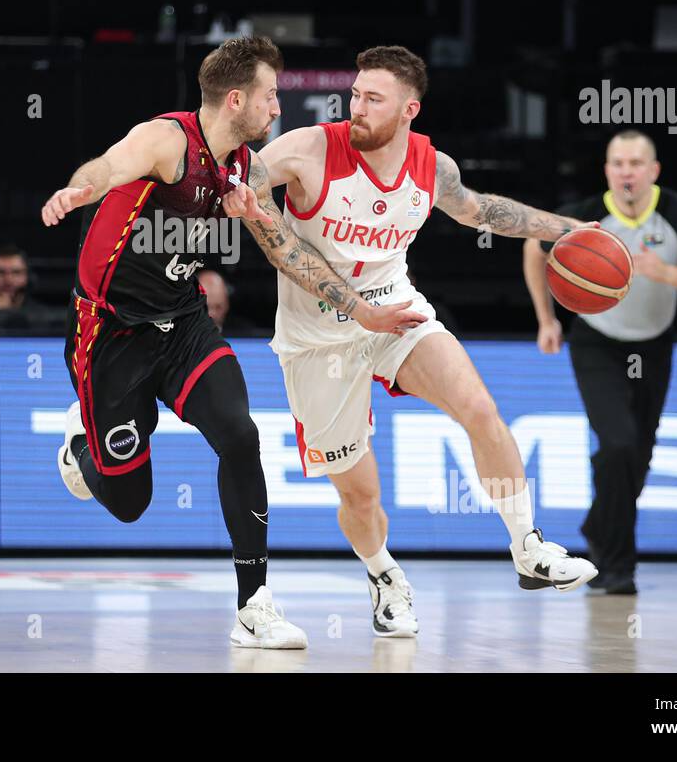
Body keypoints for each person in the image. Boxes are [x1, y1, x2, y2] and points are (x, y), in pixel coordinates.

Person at [41, 36, 423, 648]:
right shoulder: (168, 141)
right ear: (237, 98)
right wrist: (77, 190)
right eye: (272, 96)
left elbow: (283, 249)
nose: (279, 108)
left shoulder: (242, 167)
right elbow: (109, 165)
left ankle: (254, 605)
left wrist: (355, 307)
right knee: (129, 501)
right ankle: (80, 447)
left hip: (185, 323)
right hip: (112, 334)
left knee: (241, 438)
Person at [256, 45, 600, 638]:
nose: (355, 107)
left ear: (409, 109)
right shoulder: (309, 149)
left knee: (481, 410)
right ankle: (384, 574)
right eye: (355, 95)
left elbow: (480, 210)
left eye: (372, 98)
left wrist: (568, 230)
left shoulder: (429, 164)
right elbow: (239, 185)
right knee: (361, 499)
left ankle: (528, 547)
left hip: (397, 310)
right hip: (318, 341)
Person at [523, 129, 677, 594]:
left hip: (654, 345)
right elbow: (532, 248)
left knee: (637, 456)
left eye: (636, 164)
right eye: (618, 164)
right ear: (607, 171)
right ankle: (618, 568)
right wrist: (546, 320)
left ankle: (601, 527)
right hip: (596, 342)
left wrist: (666, 273)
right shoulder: (586, 217)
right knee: (617, 444)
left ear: (653, 171)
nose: (627, 172)